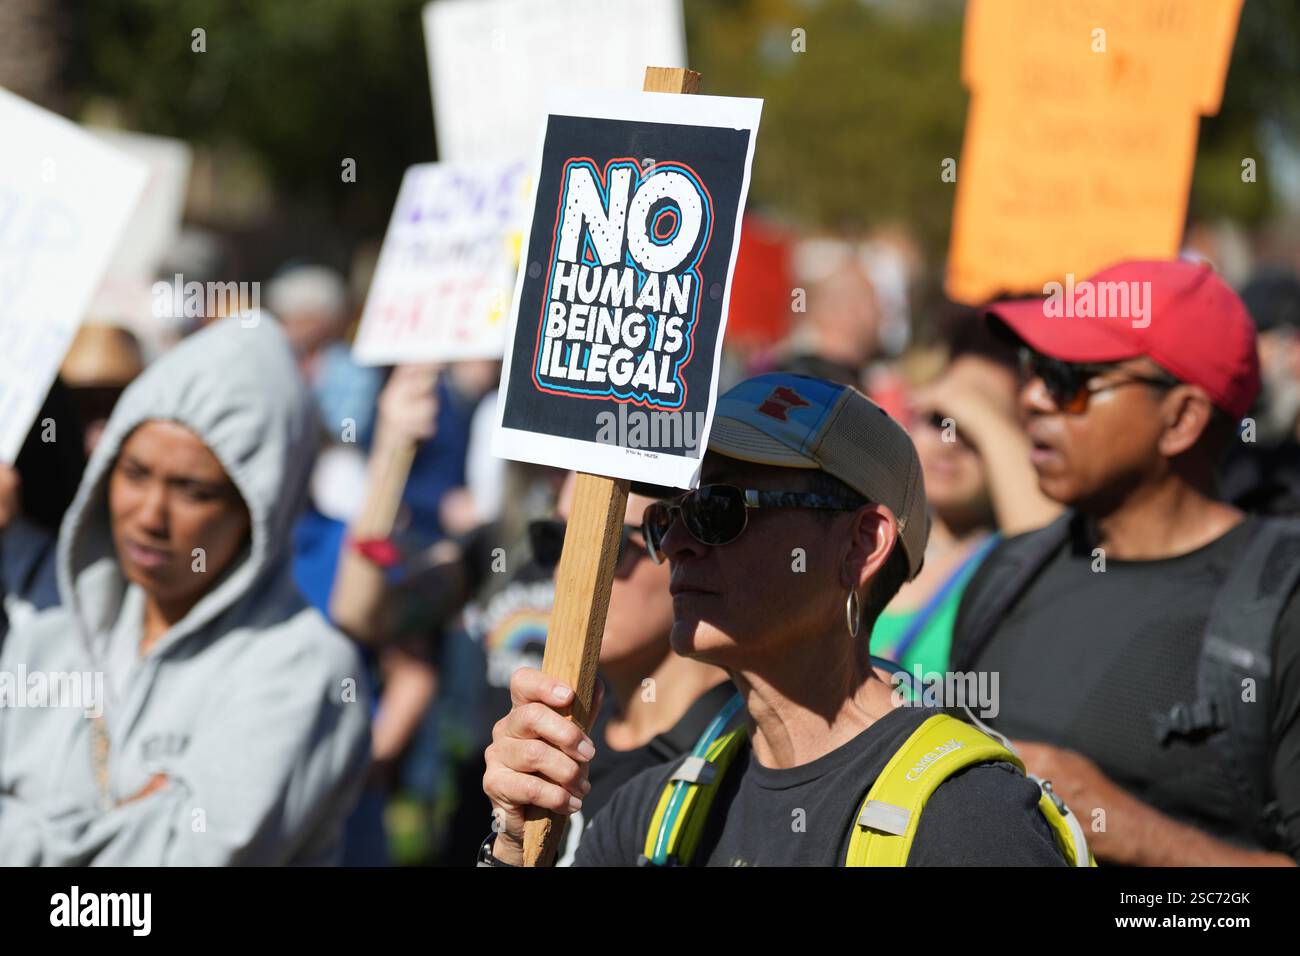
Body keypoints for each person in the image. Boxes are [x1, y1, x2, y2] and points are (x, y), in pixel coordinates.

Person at [481, 372, 1076, 867]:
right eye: (668, 517)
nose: (679, 544)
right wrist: (514, 840)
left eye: (720, 509)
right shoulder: (655, 814)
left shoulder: (969, 820)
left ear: (861, 545)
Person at [951, 259, 1300, 865]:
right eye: (1033, 370)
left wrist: (1137, 834)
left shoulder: (1282, 605)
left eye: (1069, 378)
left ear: (1182, 419)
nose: (1032, 398)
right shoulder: (1006, 573)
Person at [0, 317, 371, 865]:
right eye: (135, 472)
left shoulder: (303, 671)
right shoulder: (49, 634)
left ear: (258, 506)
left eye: (193, 491)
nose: (150, 515)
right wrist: (130, 822)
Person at [872, 313, 1059, 674]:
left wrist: (969, 404)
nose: (950, 443)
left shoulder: (1005, 564)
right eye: (938, 419)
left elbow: (1045, 545)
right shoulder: (864, 538)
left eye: (976, 431)